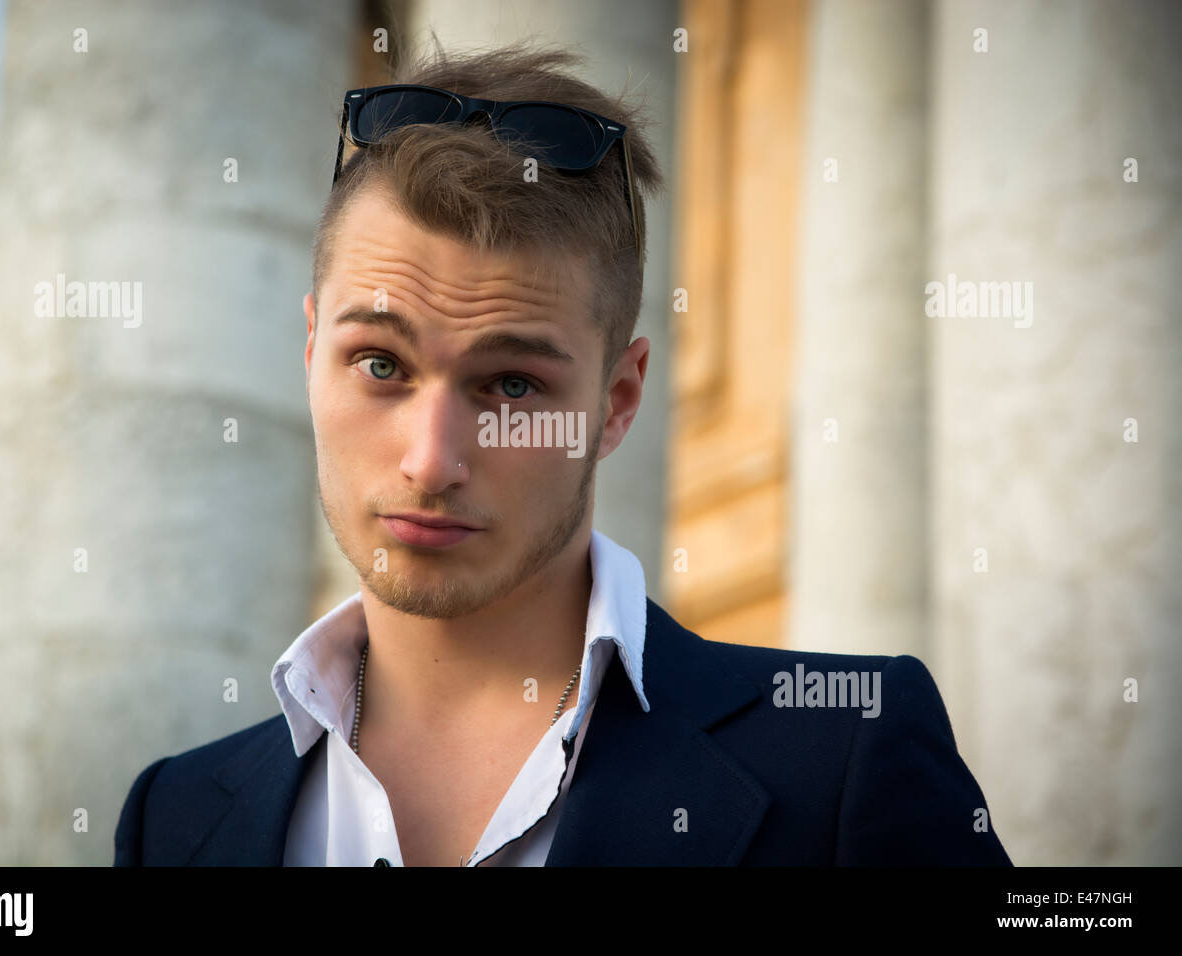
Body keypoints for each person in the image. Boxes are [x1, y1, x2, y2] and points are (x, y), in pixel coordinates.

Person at [114, 41, 1010, 867]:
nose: (432, 462)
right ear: (312, 353)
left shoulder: (845, 754)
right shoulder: (176, 818)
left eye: (512, 387)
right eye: (380, 364)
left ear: (616, 402)